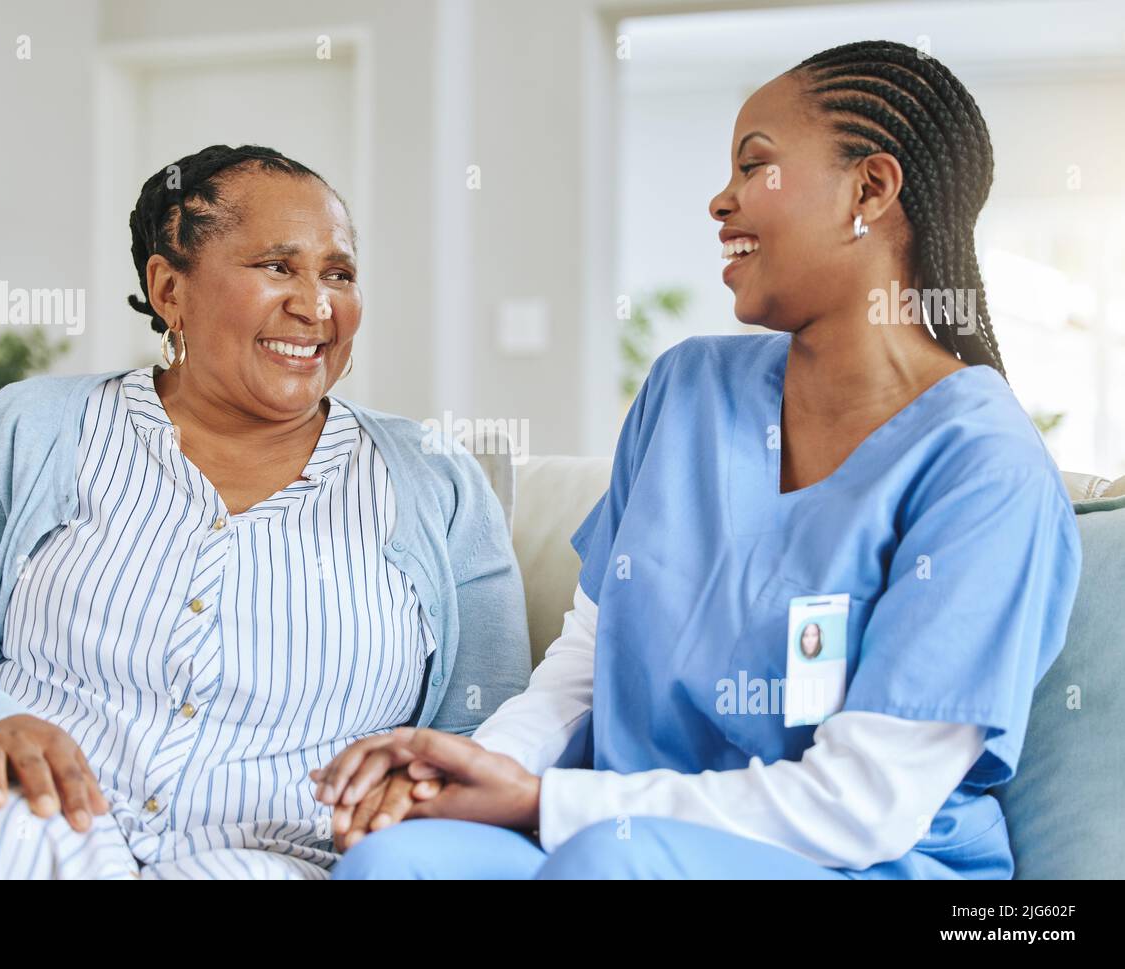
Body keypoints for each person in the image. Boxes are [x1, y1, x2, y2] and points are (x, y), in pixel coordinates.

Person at [315, 41, 1082, 880]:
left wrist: (549, 804)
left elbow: (861, 806)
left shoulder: (984, 467)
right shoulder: (688, 389)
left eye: (755, 166)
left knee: (611, 869)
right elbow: (584, 659)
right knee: (398, 863)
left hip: (852, 862)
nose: (721, 200)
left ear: (870, 189)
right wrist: (463, 771)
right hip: (611, 826)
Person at [0, 144, 529, 881]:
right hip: (16, 820)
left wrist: (416, 782)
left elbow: (488, 730)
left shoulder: (439, 480)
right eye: (277, 266)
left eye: (339, 273)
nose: (316, 305)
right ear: (170, 289)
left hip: (278, 855)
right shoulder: (29, 429)